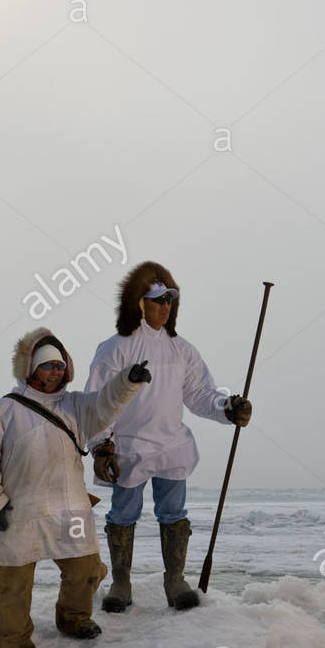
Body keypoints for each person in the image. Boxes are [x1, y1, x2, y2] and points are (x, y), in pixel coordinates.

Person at [0, 326, 151, 648]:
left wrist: (128, 381)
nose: (57, 371)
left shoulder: (76, 406)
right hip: (19, 511)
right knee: (11, 587)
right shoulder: (3, 411)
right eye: (48, 365)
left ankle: (74, 618)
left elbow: (105, 403)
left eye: (60, 365)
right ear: (30, 370)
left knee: (86, 570)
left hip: (70, 510)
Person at [85, 261, 252, 612]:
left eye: (170, 299)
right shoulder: (115, 348)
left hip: (172, 447)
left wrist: (227, 407)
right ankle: (121, 582)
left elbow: (200, 394)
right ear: (139, 303)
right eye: (158, 298)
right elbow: (99, 400)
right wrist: (102, 446)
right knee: (122, 516)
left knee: (173, 513)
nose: (165, 305)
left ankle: (175, 580)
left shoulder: (182, 350)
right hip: (128, 448)